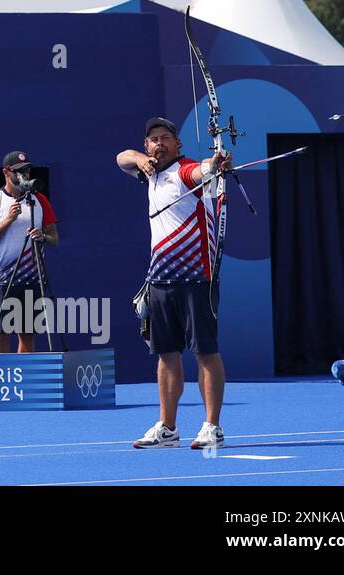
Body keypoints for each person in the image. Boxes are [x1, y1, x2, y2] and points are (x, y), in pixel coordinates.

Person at [116, 117, 231, 450]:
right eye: (153, 139)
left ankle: (212, 427)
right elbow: (121, 157)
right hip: (160, 281)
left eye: (166, 138)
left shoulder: (187, 171)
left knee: (205, 352)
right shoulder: (148, 172)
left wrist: (215, 163)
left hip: (197, 279)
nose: (159, 143)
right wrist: (140, 160)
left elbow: (202, 170)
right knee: (166, 355)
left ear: (178, 144)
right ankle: (168, 428)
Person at [0, 150, 59, 352]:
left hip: (33, 279)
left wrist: (43, 237)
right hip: (3, 279)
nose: (24, 175)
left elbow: (54, 239)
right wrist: (8, 221)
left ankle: (24, 383)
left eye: (27, 170)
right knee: (2, 336)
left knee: (28, 336)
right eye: (18, 171)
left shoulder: (40, 201)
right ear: (6, 172)